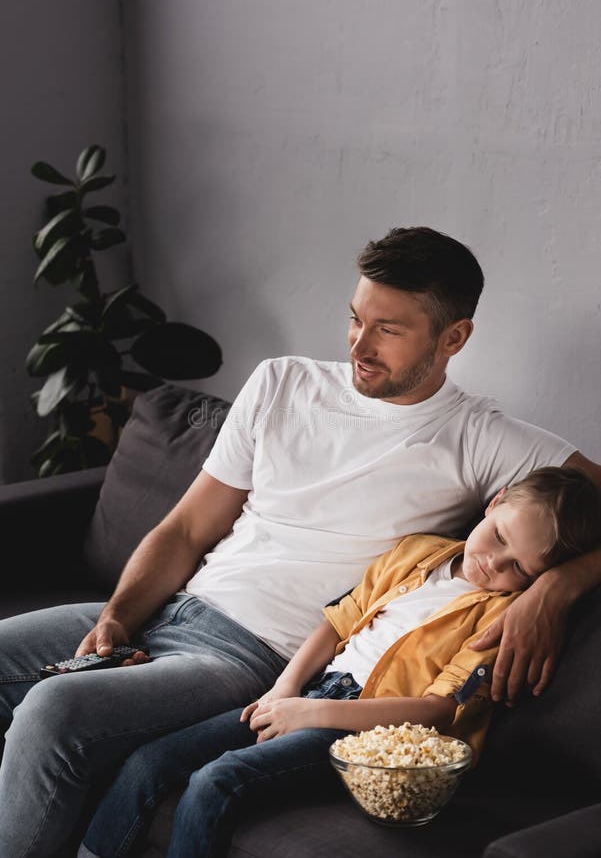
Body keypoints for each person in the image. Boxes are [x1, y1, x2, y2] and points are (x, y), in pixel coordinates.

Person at [1, 226, 600, 857]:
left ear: (454, 337)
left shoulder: (481, 437)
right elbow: (184, 529)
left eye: (389, 329)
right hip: (168, 613)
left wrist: (557, 586)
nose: (359, 346)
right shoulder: (280, 383)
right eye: (355, 319)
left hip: (254, 658)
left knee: (53, 714)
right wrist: (121, 616)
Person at [77, 466, 601, 858]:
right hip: (312, 693)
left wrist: (312, 716)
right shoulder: (419, 552)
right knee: (150, 761)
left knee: (218, 780)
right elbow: (336, 623)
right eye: (502, 538)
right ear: (496, 501)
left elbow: (436, 713)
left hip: (371, 735)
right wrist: (285, 690)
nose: (494, 563)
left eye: (520, 570)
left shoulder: (502, 618)